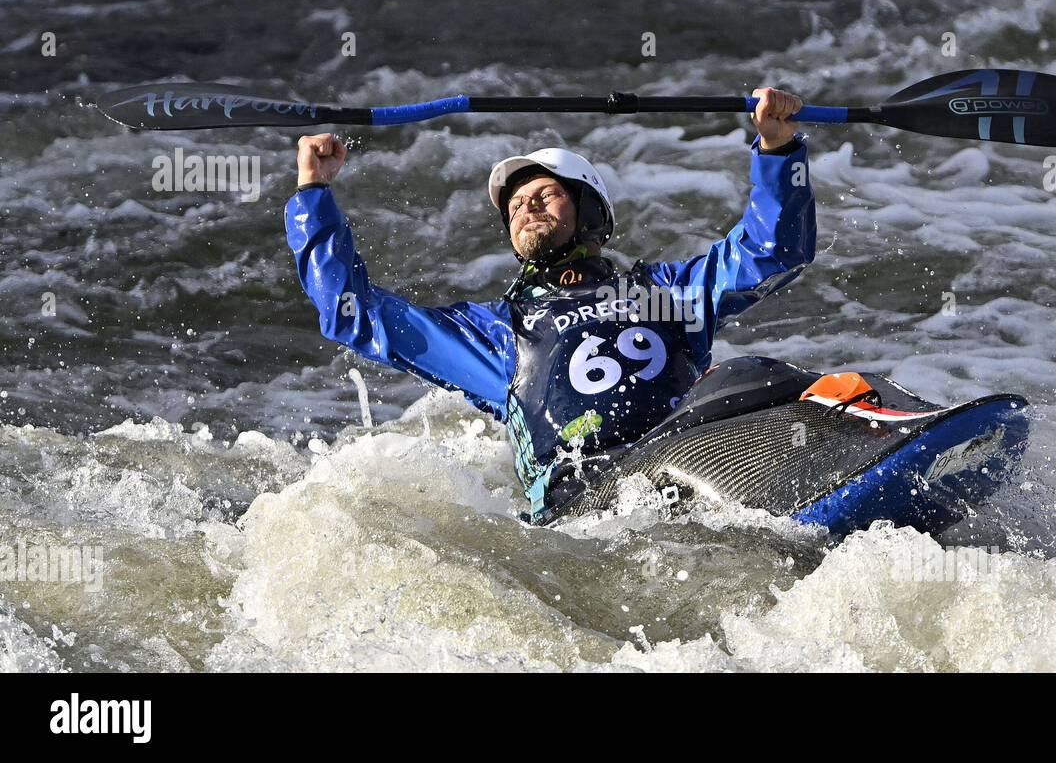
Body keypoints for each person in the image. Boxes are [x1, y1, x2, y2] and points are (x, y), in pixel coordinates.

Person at [285, 87, 814, 522]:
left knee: (755, 375)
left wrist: (777, 147)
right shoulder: (494, 332)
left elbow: (773, 252)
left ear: (589, 211)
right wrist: (313, 192)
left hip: (695, 461)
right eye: (514, 206)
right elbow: (353, 311)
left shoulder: (667, 293)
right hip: (588, 511)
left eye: (545, 194)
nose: (525, 207)